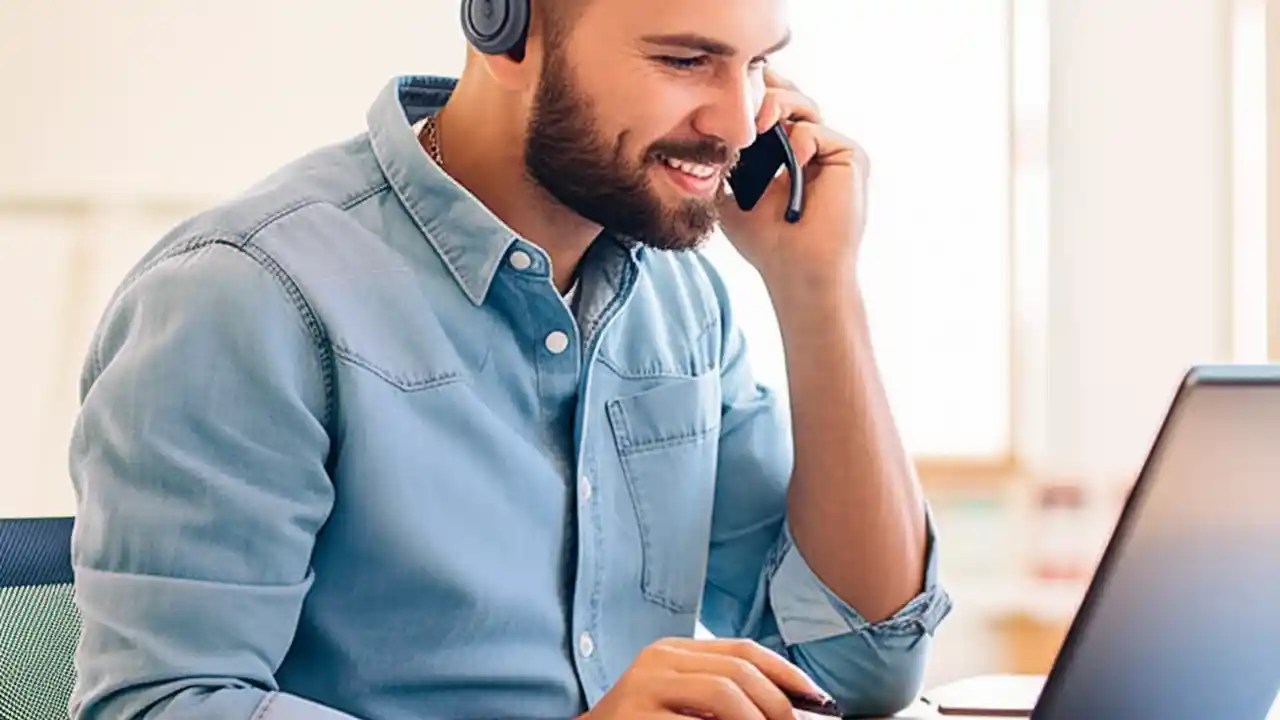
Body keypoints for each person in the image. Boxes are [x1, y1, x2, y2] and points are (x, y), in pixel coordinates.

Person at [68, 0, 951, 718]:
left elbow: (864, 665)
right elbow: (162, 703)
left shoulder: (680, 302)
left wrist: (818, 290)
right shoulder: (247, 295)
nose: (734, 123)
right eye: (685, 61)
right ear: (506, 28)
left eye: (756, 65)